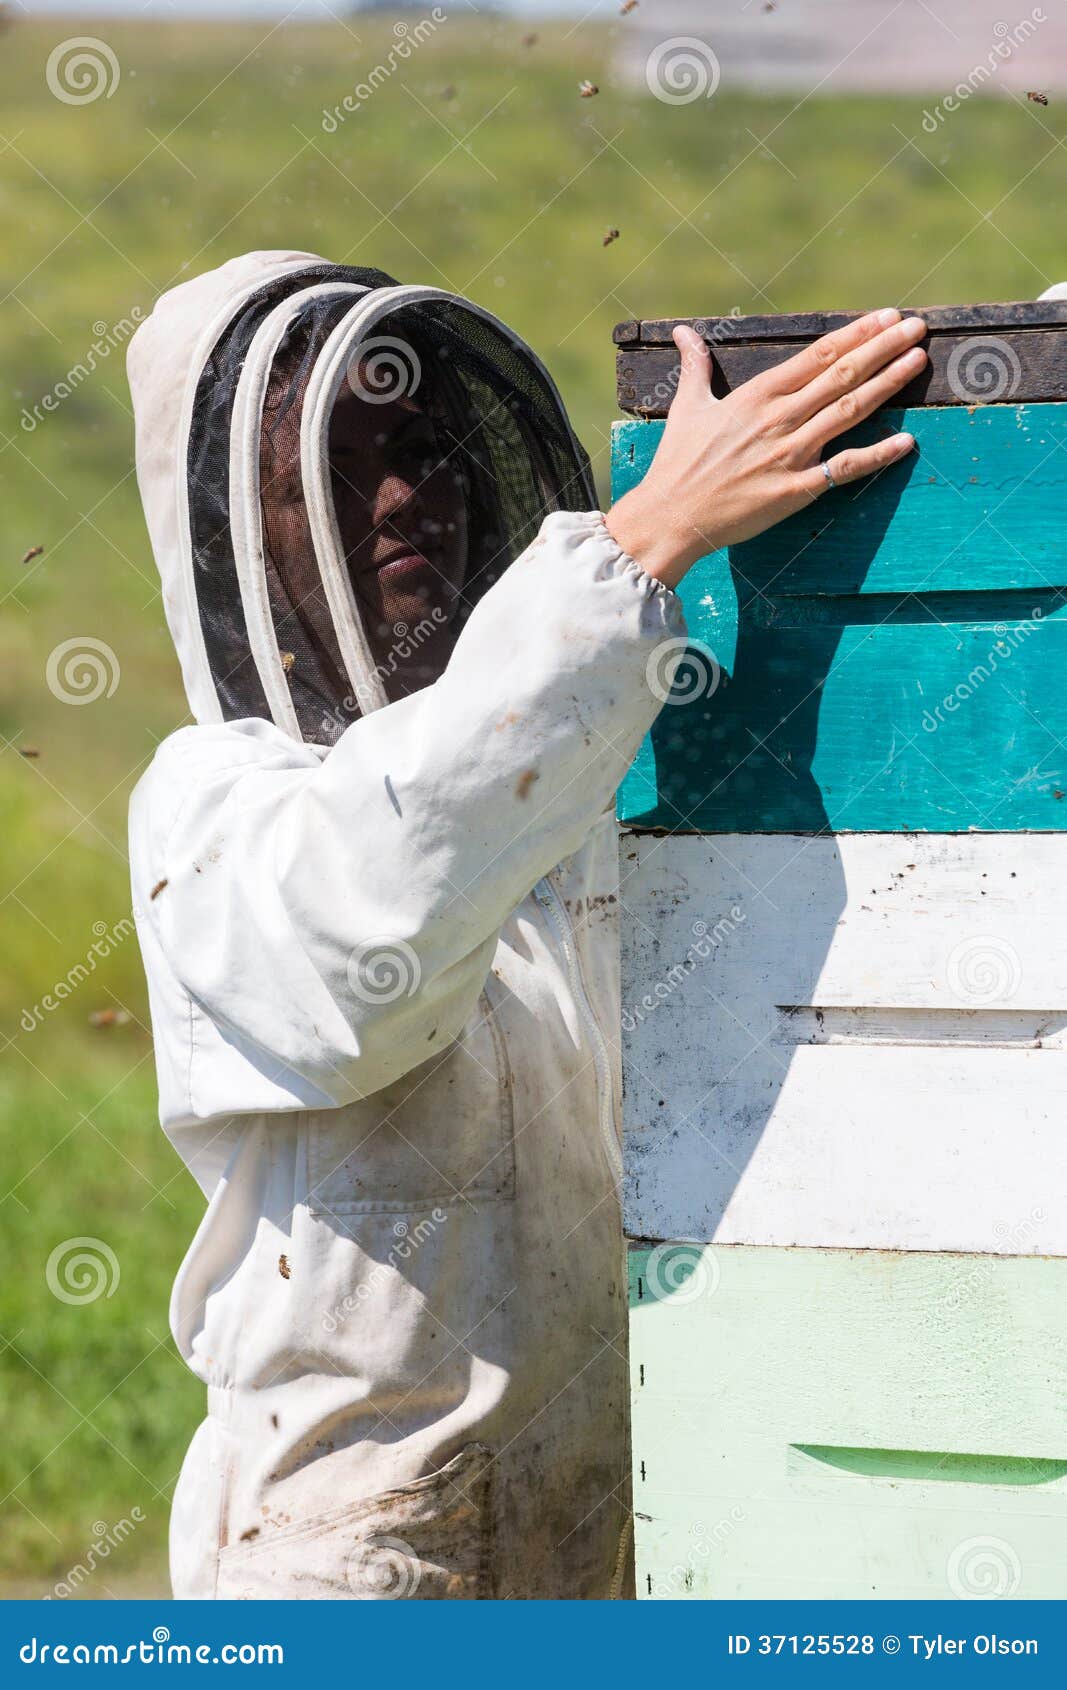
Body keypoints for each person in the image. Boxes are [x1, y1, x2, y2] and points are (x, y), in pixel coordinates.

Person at [127, 250, 926, 1599]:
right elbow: (372, 925)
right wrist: (639, 547)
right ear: (233, 534)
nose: (404, 499)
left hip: (594, 1546)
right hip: (343, 1569)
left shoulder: (561, 791)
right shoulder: (213, 814)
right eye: (331, 467)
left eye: (428, 450)